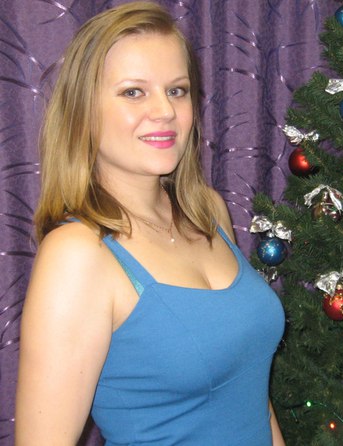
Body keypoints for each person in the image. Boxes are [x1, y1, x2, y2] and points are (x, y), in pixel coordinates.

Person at [15, 2, 286, 445]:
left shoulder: (209, 212)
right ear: (84, 110)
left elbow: (250, 395)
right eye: (133, 92)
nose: (164, 111)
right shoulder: (78, 255)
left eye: (177, 90)